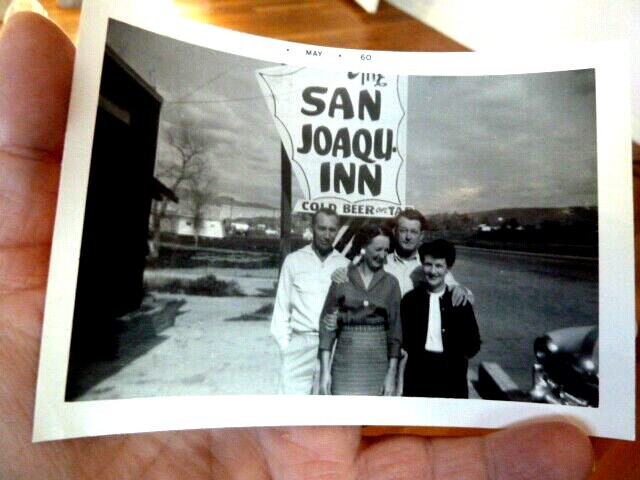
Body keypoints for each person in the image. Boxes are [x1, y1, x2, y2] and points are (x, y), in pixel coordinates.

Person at [0, 10, 596, 479]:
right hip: (314, 354)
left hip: (401, 376)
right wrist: (293, 338)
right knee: (307, 404)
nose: (396, 246)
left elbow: (407, 316)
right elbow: (304, 303)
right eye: (393, 240)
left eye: (406, 241)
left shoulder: (419, 275)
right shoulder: (323, 261)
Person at [271, 207, 349, 394]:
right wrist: (286, 348)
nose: (327, 235)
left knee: (326, 410)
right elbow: (281, 309)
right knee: (291, 410)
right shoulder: (294, 261)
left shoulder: (345, 265)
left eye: (332, 230)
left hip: (332, 345)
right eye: (322, 228)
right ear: (312, 228)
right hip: (300, 342)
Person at [318, 224, 402, 395]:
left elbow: (395, 332)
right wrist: (325, 372)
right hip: (344, 364)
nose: (382, 255)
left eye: (386, 250)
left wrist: (391, 374)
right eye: (378, 249)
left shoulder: (391, 283)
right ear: (363, 247)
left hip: (378, 365)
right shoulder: (342, 278)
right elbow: (326, 328)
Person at [401, 240, 481, 398]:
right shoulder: (410, 300)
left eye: (439, 266)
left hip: (452, 377)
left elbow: (473, 344)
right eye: (428, 264)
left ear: (448, 269)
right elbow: (404, 339)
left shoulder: (459, 301)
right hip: (418, 374)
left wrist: (454, 357)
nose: (432, 271)